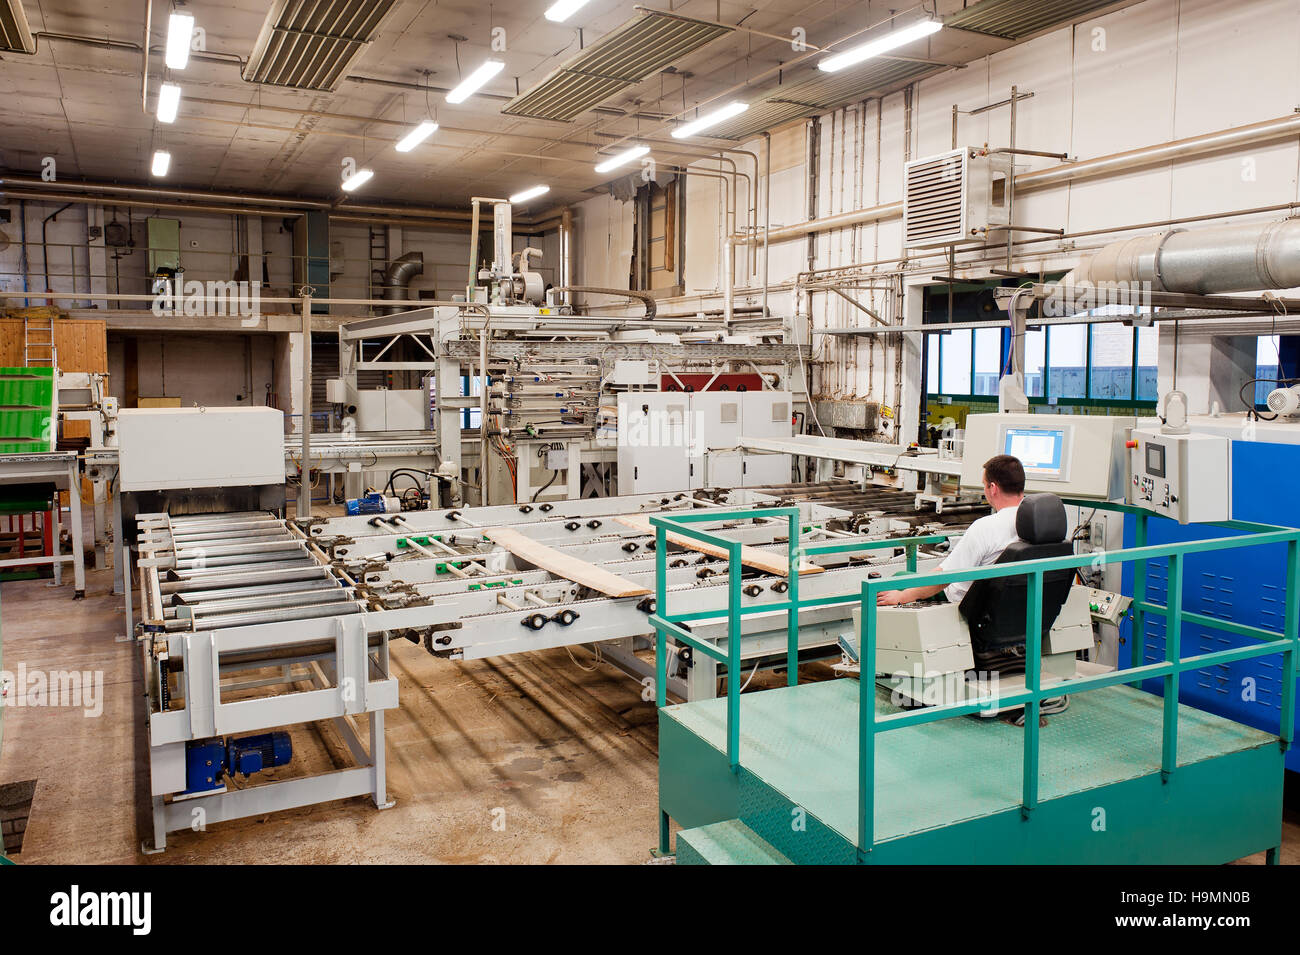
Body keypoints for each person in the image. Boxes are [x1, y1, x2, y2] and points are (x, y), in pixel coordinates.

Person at [876, 454, 1026, 607]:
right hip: (1011, 605)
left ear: (993, 488)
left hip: (966, 603)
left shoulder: (985, 527)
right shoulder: (1037, 524)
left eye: (984, 485)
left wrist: (901, 596)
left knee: (897, 579)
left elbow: (944, 577)